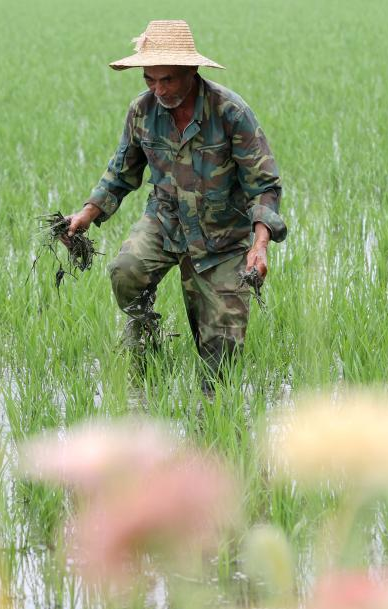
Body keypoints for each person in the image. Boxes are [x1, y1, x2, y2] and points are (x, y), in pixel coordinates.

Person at [65, 20, 285, 384]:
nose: (158, 89)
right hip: (165, 222)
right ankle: (147, 337)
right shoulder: (141, 111)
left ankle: (212, 423)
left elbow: (264, 184)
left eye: (167, 79)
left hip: (222, 238)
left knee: (221, 364)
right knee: (125, 271)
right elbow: (121, 172)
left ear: (191, 72)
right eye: (149, 80)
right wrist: (86, 214)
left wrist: (260, 246)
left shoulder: (230, 112)